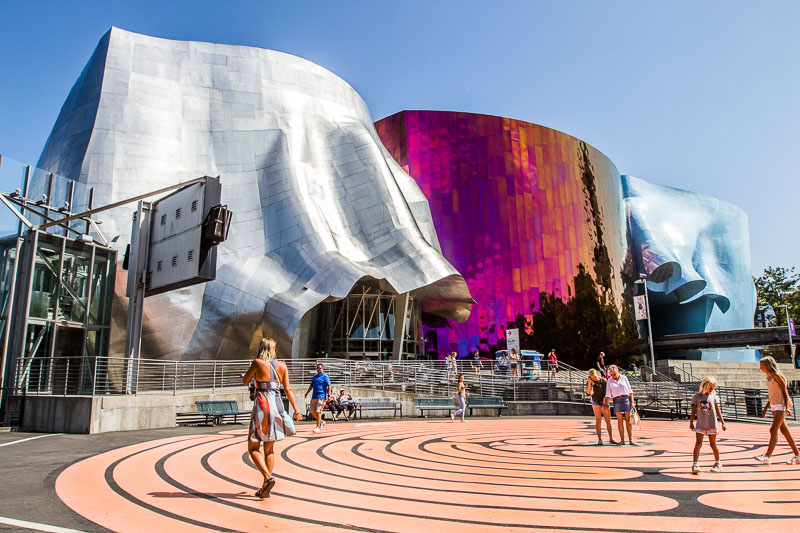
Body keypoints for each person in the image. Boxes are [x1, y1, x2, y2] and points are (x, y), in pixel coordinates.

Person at [242, 337, 303, 499]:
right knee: (269, 449)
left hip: (262, 407)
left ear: (261, 349)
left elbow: (245, 380)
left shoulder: (257, 363)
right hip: (277, 408)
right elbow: (288, 389)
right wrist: (297, 411)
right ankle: (264, 486)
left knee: (253, 448)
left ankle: (268, 478)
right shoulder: (282, 366)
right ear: (273, 349)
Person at [754, 356, 800, 465]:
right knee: (785, 431)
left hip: (781, 405)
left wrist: (787, 407)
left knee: (773, 430)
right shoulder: (768, 377)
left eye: (762, 366)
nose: (760, 368)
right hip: (774, 405)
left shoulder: (777, 376)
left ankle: (767, 456)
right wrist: (765, 408)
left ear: (767, 366)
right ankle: (798, 455)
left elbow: (784, 392)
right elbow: (772, 394)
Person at [689, 376, 726, 473]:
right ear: (705, 386)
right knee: (698, 443)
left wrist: (722, 422)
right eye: (710, 387)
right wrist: (691, 422)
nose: (711, 390)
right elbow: (693, 411)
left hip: (711, 423)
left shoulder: (714, 397)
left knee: (713, 444)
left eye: (713, 388)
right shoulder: (696, 397)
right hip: (701, 424)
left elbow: (718, 411)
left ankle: (718, 462)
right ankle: (695, 464)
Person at [604, 365, 636, 445]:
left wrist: (632, 402)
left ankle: (631, 440)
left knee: (628, 421)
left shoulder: (624, 378)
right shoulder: (609, 381)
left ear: (618, 371)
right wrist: (606, 405)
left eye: (614, 374)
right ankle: (622, 440)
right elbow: (608, 394)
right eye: (611, 374)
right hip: (616, 400)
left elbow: (630, 390)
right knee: (620, 421)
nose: (613, 376)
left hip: (626, 399)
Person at [586, 369, 616, 445]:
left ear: (597, 374)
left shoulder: (603, 381)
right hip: (595, 401)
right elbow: (588, 393)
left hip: (604, 401)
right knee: (598, 420)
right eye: (592, 377)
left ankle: (611, 438)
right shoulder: (591, 382)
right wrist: (589, 382)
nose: (594, 379)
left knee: (608, 420)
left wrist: (604, 404)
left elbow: (607, 393)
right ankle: (599, 438)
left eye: (595, 377)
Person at [304, 362, 332, 433]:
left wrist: (329, 395)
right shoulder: (315, 376)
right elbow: (311, 385)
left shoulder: (325, 376)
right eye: (317, 368)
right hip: (314, 396)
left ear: (322, 369)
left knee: (318, 411)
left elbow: (329, 386)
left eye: (319, 368)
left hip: (321, 396)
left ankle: (318, 426)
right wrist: (307, 393)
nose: (318, 369)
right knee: (312, 411)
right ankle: (321, 422)